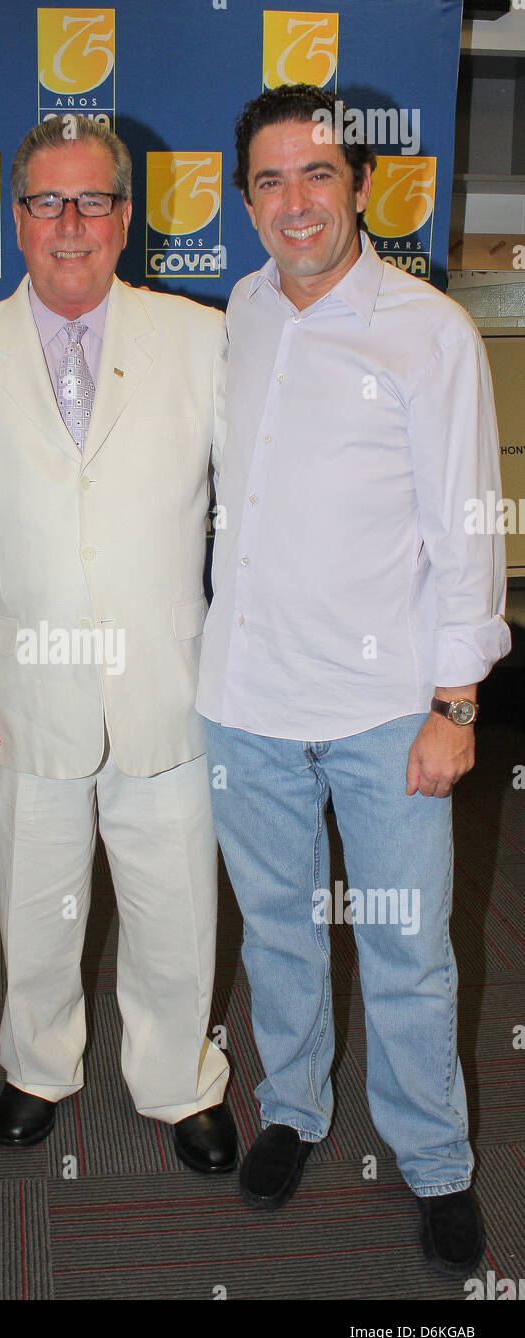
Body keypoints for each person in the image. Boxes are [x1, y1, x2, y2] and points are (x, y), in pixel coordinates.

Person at [198, 83, 511, 1274]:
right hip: (246, 701)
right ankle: (291, 1109)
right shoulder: (238, 307)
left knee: (406, 947)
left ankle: (433, 1163)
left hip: (388, 713)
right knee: (276, 929)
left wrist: (453, 702)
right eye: (269, 180)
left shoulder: (427, 331)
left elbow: (465, 530)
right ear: (244, 199)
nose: (293, 202)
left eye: (316, 175)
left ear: (361, 186)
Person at [0, 116, 234, 1169]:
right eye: (46, 202)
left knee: (174, 907)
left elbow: (249, 519)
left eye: (91, 200)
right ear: (13, 220)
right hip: (21, 695)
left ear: (126, 217)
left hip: (168, 688)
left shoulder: (198, 340)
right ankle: (37, 1064)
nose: (69, 224)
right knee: (34, 901)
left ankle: (176, 1081)